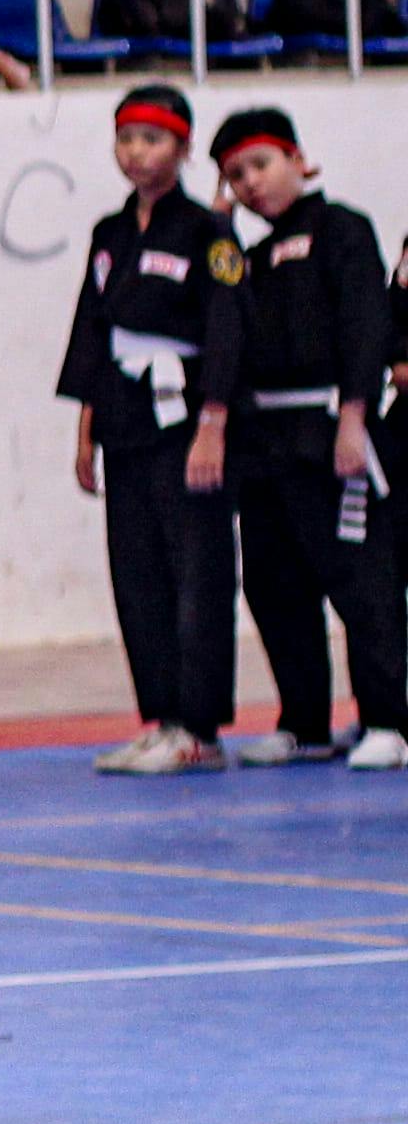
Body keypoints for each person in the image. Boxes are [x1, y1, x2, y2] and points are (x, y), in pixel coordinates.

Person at [189, 104, 402, 769]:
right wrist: (220, 229)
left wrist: (354, 417)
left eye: (260, 165)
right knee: (277, 585)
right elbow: (227, 331)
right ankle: (306, 721)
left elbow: (366, 326)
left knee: (360, 581)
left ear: (300, 160)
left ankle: (389, 721)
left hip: (330, 429)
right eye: (234, 175)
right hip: (263, 440)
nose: (250, 183)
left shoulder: (343, 230)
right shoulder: (244, 258)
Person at [64, 85, 239, 777]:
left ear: (185, 149)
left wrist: (214, 424)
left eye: (154, 139)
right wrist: (86, 430)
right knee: (136, 573)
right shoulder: (109, 234)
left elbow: (228, 330)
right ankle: (160, 718)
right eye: (126, 138)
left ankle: (199, 727)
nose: (137, 153)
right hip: (125, 418)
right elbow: (90, 329)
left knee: (197, 572)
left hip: (186, 418)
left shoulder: (209, 232)